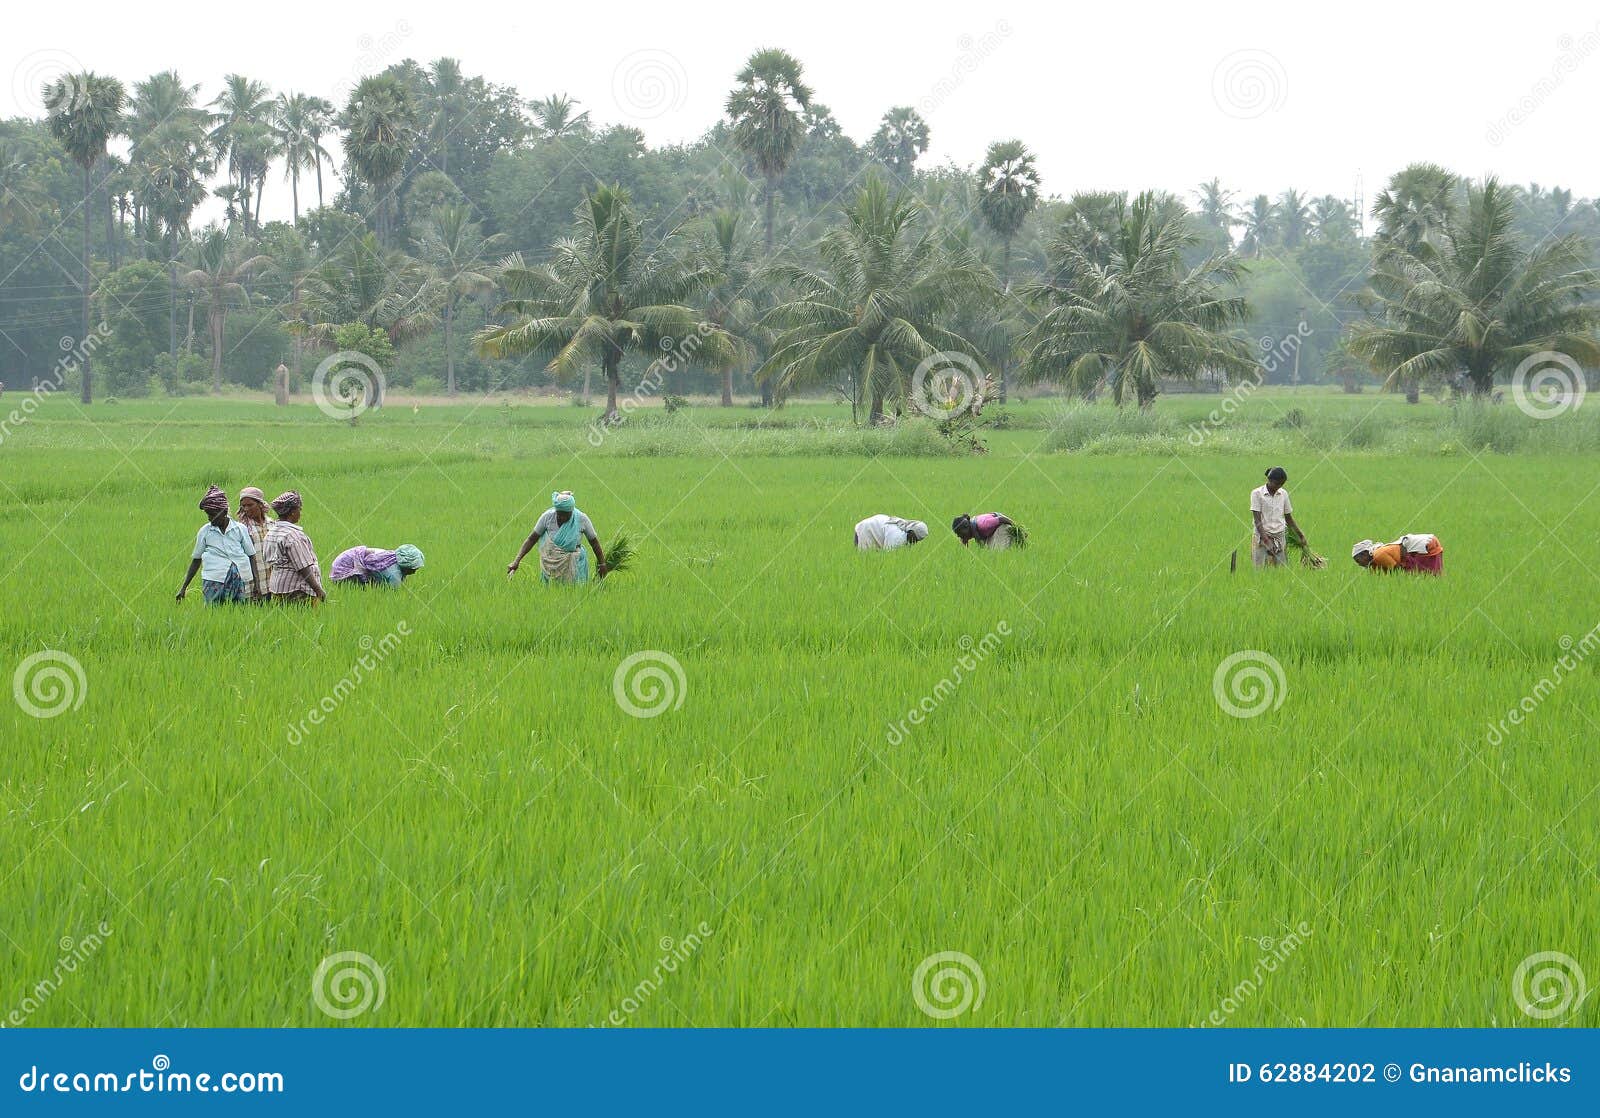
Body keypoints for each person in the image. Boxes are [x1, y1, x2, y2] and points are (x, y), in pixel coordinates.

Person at [176, 485, 261, 606]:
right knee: (213, 612)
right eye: (208, 515)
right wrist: (184, 587)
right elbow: (196, 559)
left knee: (239, 613)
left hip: (241, 579)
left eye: (213, 514)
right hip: (214, 580)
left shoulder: (240, 529)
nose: (210, 518)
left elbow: (251, 555)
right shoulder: (205, 531)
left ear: (224, 512)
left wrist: (257, 584)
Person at [508, 491, 606, 584]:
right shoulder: (547, 517)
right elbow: (531, 539)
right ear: (556, 510)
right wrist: (516, 561)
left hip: (574, 564)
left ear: (572, 511)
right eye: (559, 514)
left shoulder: (581, 519)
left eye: (566, 515)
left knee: (574, 591)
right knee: (550, 591)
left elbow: (594, 543)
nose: (562, 518)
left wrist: (602, 564)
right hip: (550, 565)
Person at [262, 490, 327, 604]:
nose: (300, 513)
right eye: (299, 509)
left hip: (277, 587)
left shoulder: (271, 532)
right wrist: (318, 590)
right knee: (306, 620)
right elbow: (303, 567)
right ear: (292, 512)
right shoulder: (293, 536)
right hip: (297, 590)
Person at [1250, 466, 1308, 568]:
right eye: (1277, 484)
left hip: (1279, 537)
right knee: (1259, 570)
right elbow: (1257, 521)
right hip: (1262, 537)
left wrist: (1300, 535)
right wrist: (1267, 541)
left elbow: (1289, 519)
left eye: (1281, 484)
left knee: (1282, 570)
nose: (1279, 486)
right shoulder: (1257, 494)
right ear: (1270, 480)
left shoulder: (1283, 494)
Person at [236, 485, 273, 601]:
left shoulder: (272, 524)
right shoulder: (242, 528)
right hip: (252, 582)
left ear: (260, 504)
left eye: (250, 505)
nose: (246, 509)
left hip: (272, 579)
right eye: (243, 506)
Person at [330, 544, 426, 587]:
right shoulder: (393, 574)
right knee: (357, 592)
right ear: (407, 565)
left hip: (344, 558)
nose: (414, 572)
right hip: (345, 569)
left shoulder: (392, 556)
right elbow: (390, 595)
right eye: (413, 568)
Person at [1352, 534, 1444, 575]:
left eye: (1358, 560)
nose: (1359, 564)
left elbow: (1398, 571)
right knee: (1430, 577)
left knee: (1426, 576)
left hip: (1425, 545)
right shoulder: (1375, 560)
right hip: (1430, 541)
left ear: (1364, 554)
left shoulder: (1378, 555)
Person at [854, 515, 929, 551]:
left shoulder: (902, 526)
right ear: (911, 531)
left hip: (872, 526)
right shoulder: (897, 537)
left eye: (918, 539)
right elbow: (887, 557)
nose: (915, 542)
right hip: (865, 530)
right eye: (915, 538)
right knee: (864, 558)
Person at [952, 512, 1017, 549]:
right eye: (957, 534)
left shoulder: (983, 524)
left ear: (966, 527)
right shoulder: (969, 530)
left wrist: (1017, 529)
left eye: (960, 533)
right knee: (989, 552)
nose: (958, 536)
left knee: (999, 553)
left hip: (1002, 527)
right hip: (991, 532)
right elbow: (964, 550)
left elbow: (1002, 519)